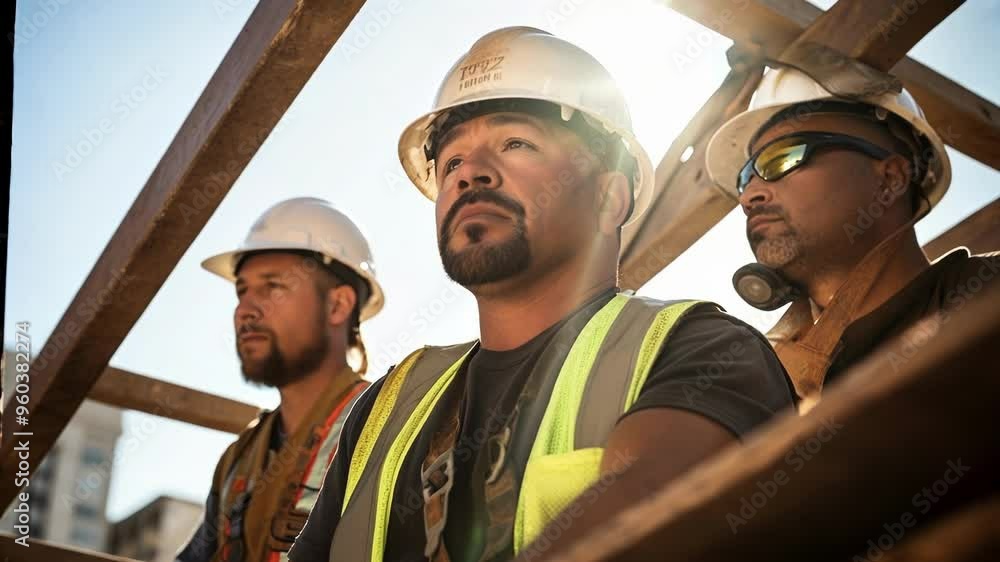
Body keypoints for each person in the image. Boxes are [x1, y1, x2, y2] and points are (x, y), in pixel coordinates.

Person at [289, 27, 794, 562]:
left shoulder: (703, 350)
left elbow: (644, 524)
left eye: (516, 144)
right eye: (452, 162)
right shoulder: (389, 405)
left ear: (610, 197)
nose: (469, 174)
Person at [706, 67, 1000, 410]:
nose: (748, 196)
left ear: (890, 178)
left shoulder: (987, 295)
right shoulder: (766, 387)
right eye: (745, 178)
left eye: (782, 158)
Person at [176, 197, 384, 562]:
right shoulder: (238, 460)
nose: (245, 310)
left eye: (272, 287)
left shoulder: (387, 427)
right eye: (242, 291)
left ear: (338, 305)